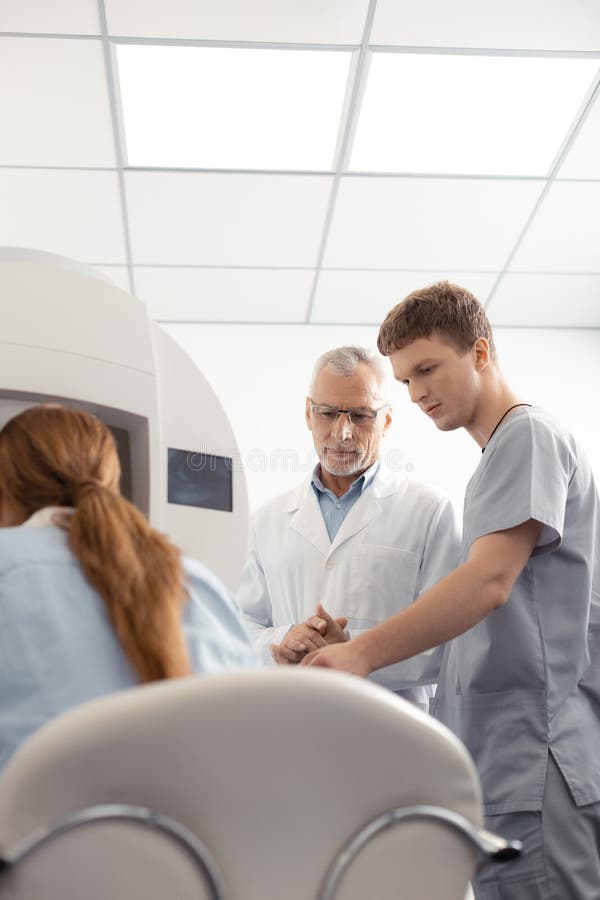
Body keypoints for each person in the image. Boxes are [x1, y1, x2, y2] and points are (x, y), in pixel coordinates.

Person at [304, 283, 600, 899]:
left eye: (427, 369)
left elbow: (488, 583)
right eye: (405, 380)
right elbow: (479, 625)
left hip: (535, 757)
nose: (416, 393)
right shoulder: (496, 459)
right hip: (503, 762)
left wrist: (360, 654)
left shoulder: (526, 436)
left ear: (480, 352)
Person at [0, 404, 259, 771]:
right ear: (112, 483)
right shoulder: (196, 582)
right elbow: (250, 738)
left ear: (5, 492)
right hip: (194, 804)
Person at [238, 345, 459, 711]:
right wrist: (284, 640)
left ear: (387, 421)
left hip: (390, 728)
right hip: (293, 719)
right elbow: (240, 627)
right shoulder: (267, 520)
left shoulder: (430, 511)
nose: (342, 433)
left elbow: (450, 640)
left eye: (361, 415)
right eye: (327, 413)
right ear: (308, 414)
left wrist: (356, 652)